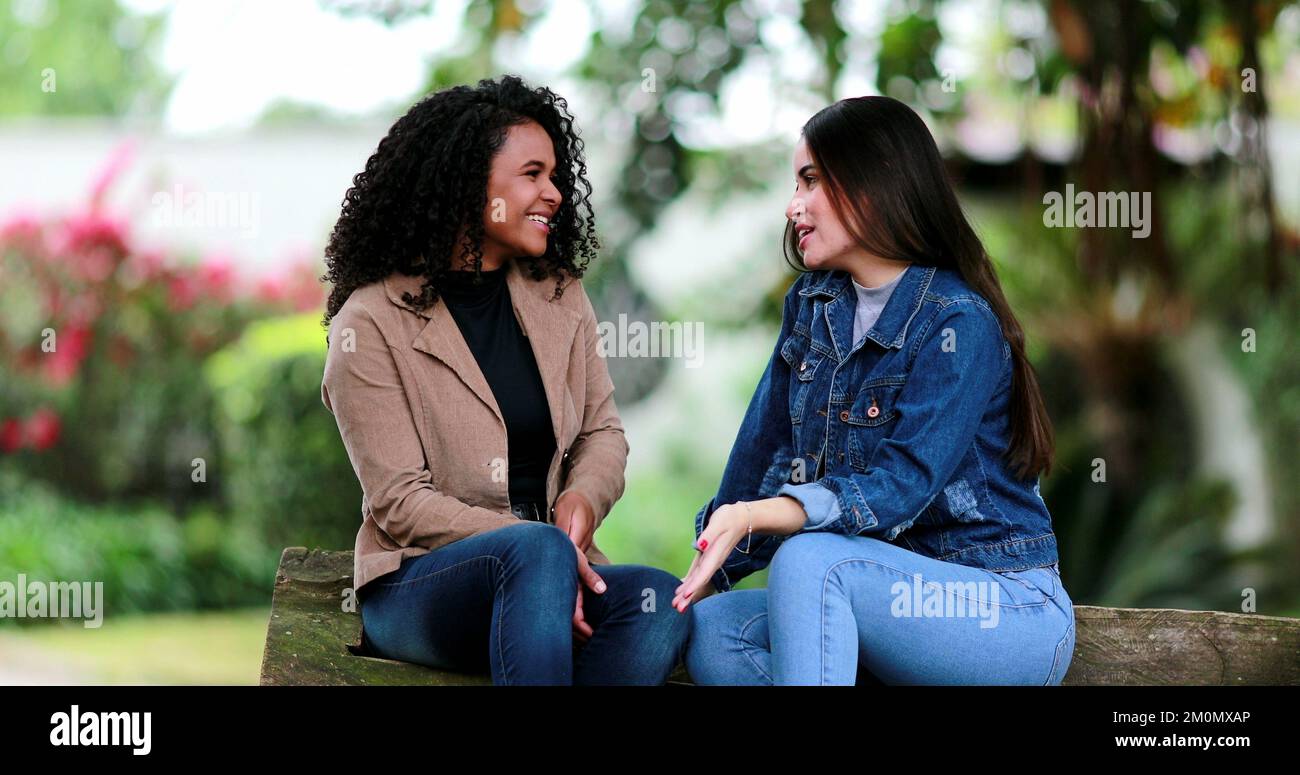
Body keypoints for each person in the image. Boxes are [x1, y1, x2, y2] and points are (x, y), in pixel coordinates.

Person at [675, 96, 1075, 686]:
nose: (793, 207)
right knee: (715, 633)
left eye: (811, 181)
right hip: (885, 602)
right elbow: (764, 457)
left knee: (811, 562)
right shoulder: (813, 308)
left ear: (871, 183)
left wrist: (767, 515)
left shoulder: (956, 321)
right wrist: (710, 568)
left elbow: (901, 485)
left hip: (1001, 609)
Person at [320, 75, 688, 685]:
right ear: (469, 184)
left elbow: (602, 432)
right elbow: (401, 503)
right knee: (536, 552)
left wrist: (580, 503)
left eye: (555, 176)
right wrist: (541, 547)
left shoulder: (559, 296)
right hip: (421, 583)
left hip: (553, 569)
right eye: (533, 174)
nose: (554, 193)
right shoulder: (371, 323)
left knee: (656, 602)